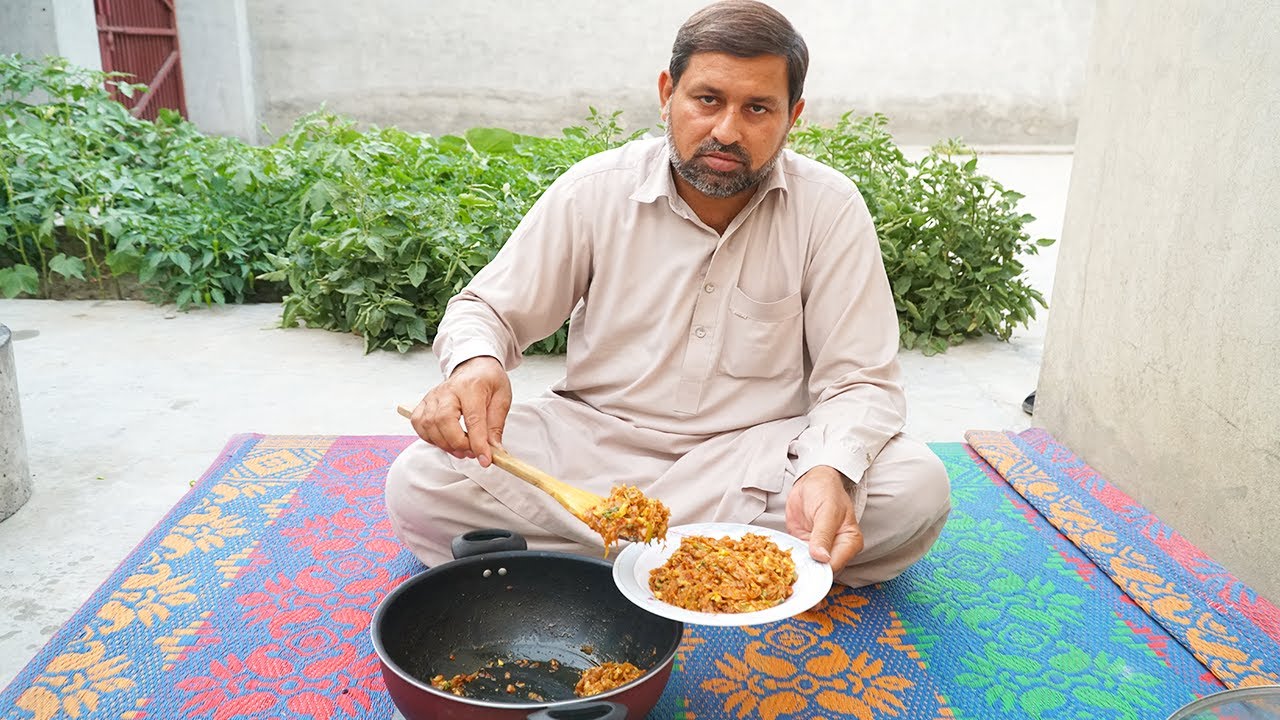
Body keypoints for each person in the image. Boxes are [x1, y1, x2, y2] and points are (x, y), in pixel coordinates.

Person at [386, 0, 951, 587]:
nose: (727, 131)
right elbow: (488, 310)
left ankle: (581, 563)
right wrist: (476, 364)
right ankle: (729, 566)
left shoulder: (828, 208)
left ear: (793, 116)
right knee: (422, 480)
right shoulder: (596, 191)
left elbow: (860, 378)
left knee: (913, 487)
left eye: (757, 108)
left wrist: (829, 468)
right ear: (667, 93)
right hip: (593, 446)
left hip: (757, 459)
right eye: (707, 100)